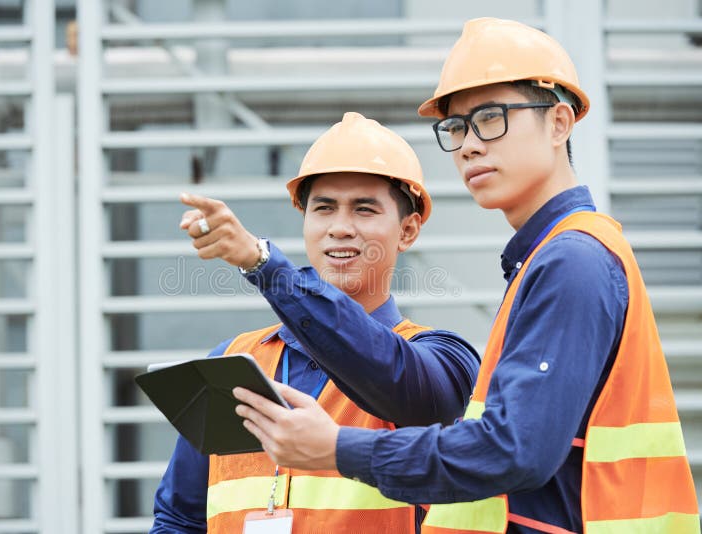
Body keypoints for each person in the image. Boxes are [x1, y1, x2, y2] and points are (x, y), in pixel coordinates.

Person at [233, 18, 700, 533]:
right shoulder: (549, 258)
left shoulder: (573, 260)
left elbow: (515, 450)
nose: (469, 146)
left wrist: (337, 449)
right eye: (456, 128)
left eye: (491, 118)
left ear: (560, 123)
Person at [150, 111, 480, 533]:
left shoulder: (442, 361)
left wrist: (263, 264)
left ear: (408, 230)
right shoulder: (232, 361)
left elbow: (398, 381)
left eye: (364, 209)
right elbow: (180, 518)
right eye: (324, 208)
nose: (340, 228)